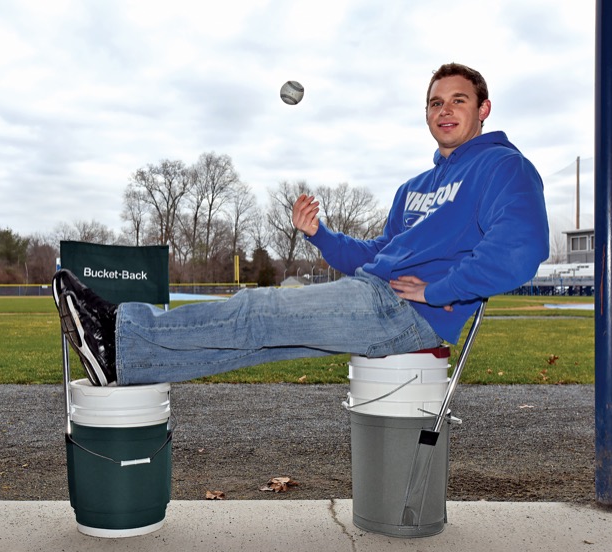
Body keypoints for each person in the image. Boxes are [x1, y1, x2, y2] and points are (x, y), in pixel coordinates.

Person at [53, 63, 549, 386]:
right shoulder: (415, 186)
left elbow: (519, 252)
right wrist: (320, 235)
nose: (445, 111)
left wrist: (440, 289)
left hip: (405, 312)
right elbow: (373, 255)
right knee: (254, 340)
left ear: (483, 109)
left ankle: (118, 331)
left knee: (256, 310)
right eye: (436, 102)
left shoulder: (501, 167)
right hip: (373, 292)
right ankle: (124, 364)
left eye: (459, 101)